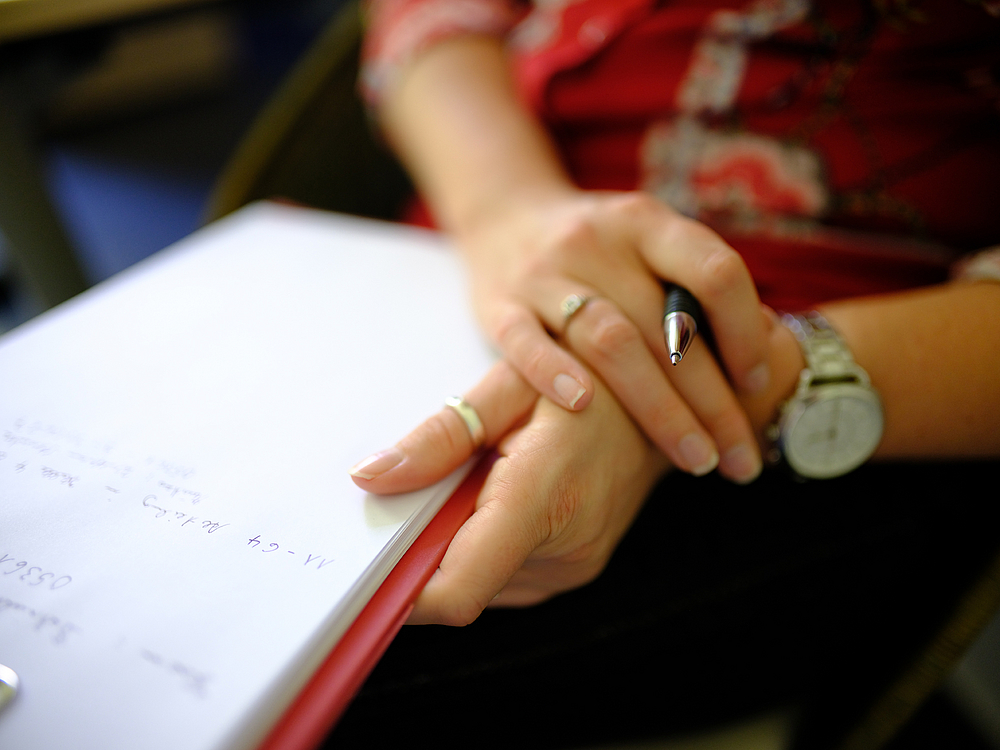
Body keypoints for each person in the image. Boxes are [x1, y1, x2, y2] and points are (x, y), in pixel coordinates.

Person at [327, 1, 1000, 746]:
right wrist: (509, 210)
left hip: (843, 386)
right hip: (462, 252)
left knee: (322, 653)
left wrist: (710, 389)